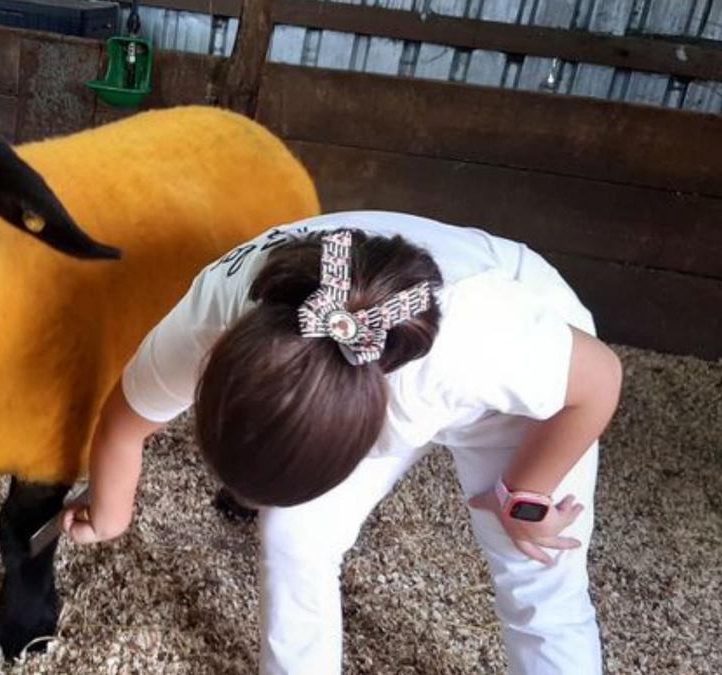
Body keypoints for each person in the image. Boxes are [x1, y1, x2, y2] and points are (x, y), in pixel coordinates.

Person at [59, 211, 622, 674]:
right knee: (292, 536)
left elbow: (599, 383)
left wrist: (528, 493)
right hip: (377, 363)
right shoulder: (214, 315)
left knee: (537, 571)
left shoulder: (479, 339)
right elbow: (126, 420)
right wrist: (110, 512)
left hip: (526, 381)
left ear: (361, 440)